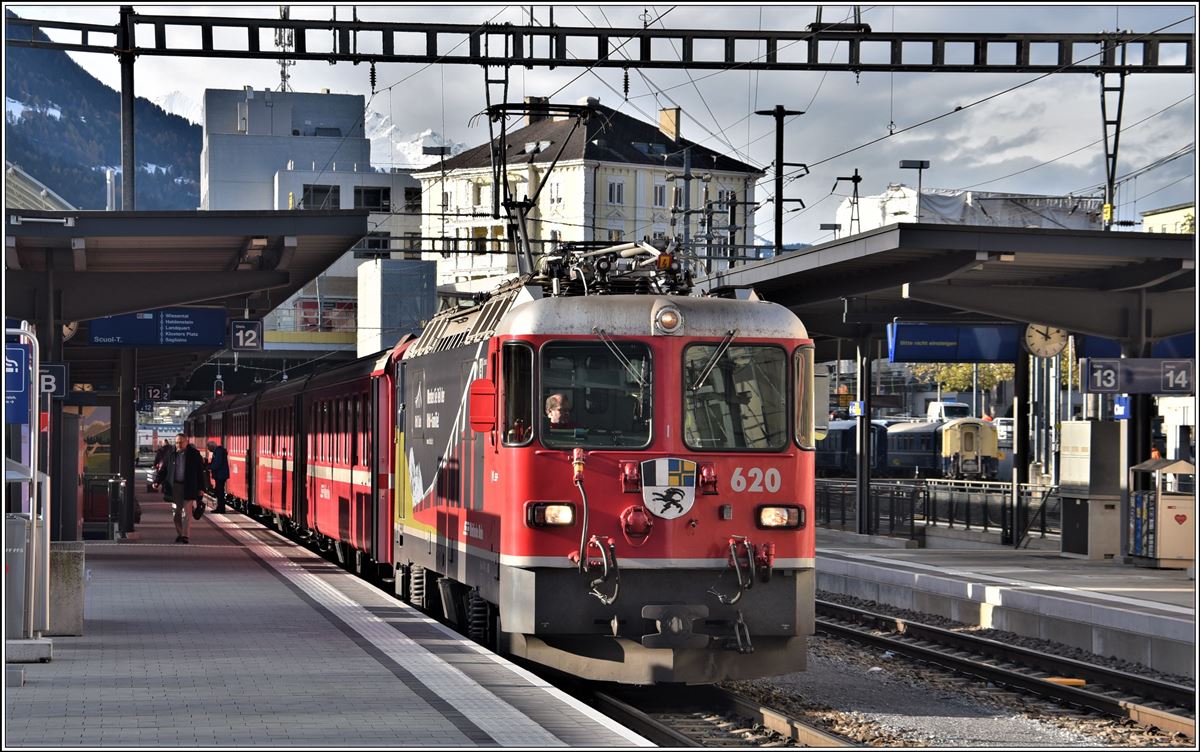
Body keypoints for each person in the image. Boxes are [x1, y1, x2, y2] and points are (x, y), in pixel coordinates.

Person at [154, 433, 205, 543]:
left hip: (189, 486)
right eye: (177, 442)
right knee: (176, 513)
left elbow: (200, 473)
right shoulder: (170, 454)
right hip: (174, 487)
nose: (179, 444)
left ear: (186, 442)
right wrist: (156, 481)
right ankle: (180, 533)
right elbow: (163, 470)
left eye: (181, 442)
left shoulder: (195, 455)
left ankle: (185, 536)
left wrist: (201, 488)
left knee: (187, 513)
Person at [206, 440, 230, 514]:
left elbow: (217, 464)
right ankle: (220, 507)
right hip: (220, 474)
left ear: (212, 447)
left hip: (220, 475)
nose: (209, 450)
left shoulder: (218, 452)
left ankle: (221, 508)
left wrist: (208, 467)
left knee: (220, 492)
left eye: (209, 449)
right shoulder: (218, 451)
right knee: (219, 492)